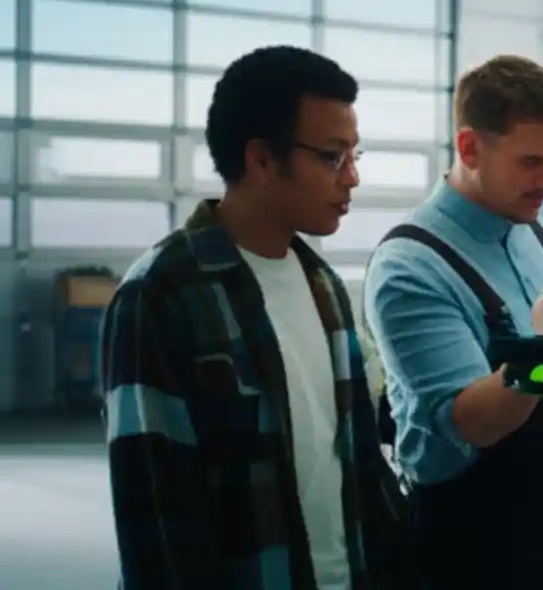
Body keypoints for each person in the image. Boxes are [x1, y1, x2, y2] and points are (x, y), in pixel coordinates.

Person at [100, 46, 414, 589]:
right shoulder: (161, 295)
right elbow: (154, 513)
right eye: (333, 157)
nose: (352, 179)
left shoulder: (325, 289)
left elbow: (362, 467)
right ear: (262, 160)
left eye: (355, 156)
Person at [363, 54, 543, 590]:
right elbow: (473, 422)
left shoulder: (535, 231)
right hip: (473, 544)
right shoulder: (410, 267)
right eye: (530, 161)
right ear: (470, 147)